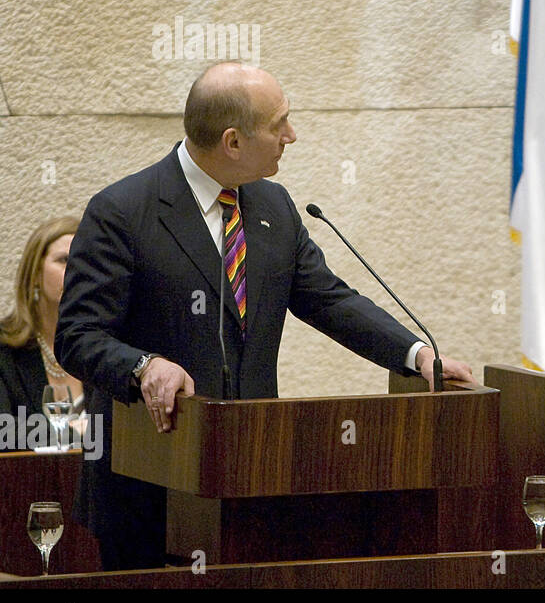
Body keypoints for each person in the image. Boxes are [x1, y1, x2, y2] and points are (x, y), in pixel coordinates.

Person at [55, 61, 474, 569]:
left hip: (252, 473)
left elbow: (328, 299)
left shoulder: (273, 204)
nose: (291, 136)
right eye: (279, 124)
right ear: (233, 141)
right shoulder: (123, 211)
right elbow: (77, 336)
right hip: (148, 481)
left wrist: (416, 355)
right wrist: (144, 366)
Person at [1, 217, 85, 435]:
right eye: (65, 260)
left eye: (85, 261)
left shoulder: (103, 347)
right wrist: (71, 433)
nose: (77, 271)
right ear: (35, 274)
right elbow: (4, 431)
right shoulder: (5, 347)